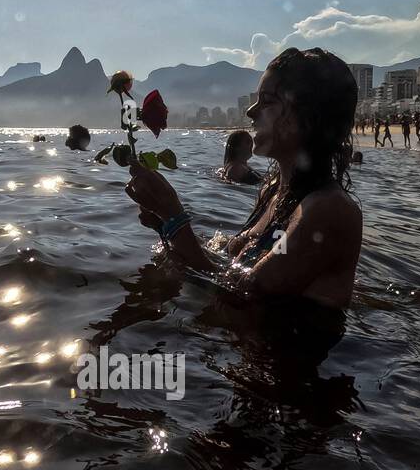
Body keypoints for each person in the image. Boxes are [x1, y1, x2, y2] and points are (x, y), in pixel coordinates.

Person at [123, 46, 362, 310]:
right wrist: (163, 221)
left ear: (307, 114)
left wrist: (174, 217)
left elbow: (240, 298)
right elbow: (227, 270)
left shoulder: (329, 210)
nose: (250, 111)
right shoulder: (274, 191)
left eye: (268, 101)